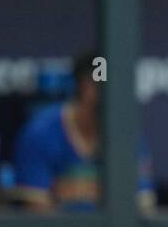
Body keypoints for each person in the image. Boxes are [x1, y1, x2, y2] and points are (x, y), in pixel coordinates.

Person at [12, 51, 156, 213]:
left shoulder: (127, 134)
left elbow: (143, 206)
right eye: (99, 85)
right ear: (84, 86)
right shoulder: (41, 133)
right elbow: (37, 212)